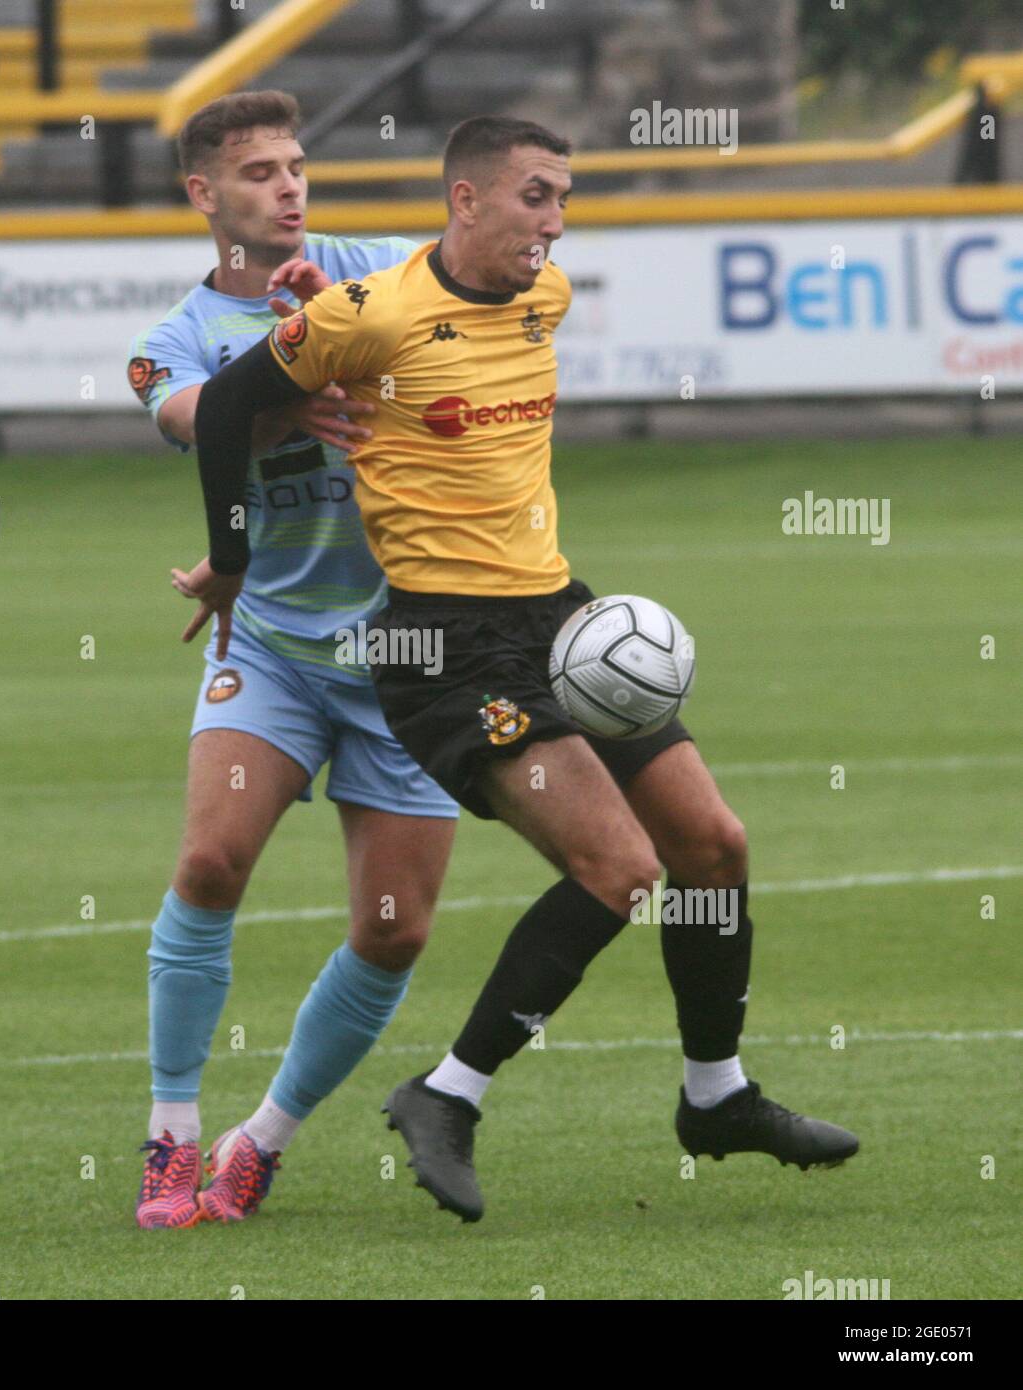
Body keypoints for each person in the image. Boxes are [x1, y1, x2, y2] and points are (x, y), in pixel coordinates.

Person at [184, 114, 860, 1224]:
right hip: (444, 648)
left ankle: (716, 1093)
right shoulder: (373, 314)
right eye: (535, 196)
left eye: (564, 199)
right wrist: (230, 559)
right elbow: (224, 405)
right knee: (619, 870)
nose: (553, 222)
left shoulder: (545, 297)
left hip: (559, 620)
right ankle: (444, 1095)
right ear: (466, 200)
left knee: (712, 843)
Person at [127, 90, 457, 1229]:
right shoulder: (169, 340)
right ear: (203, 194)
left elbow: (452, 348)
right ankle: (169, 1137)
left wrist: (342, 343)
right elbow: (193, 415)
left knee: (393, 926)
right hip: (268, 642)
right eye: (260, 170)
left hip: (414, 652)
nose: (288, 186)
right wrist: (282, 395)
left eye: (297, 165)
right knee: (212, 862)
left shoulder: (379, 272)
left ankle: (260, 1138)